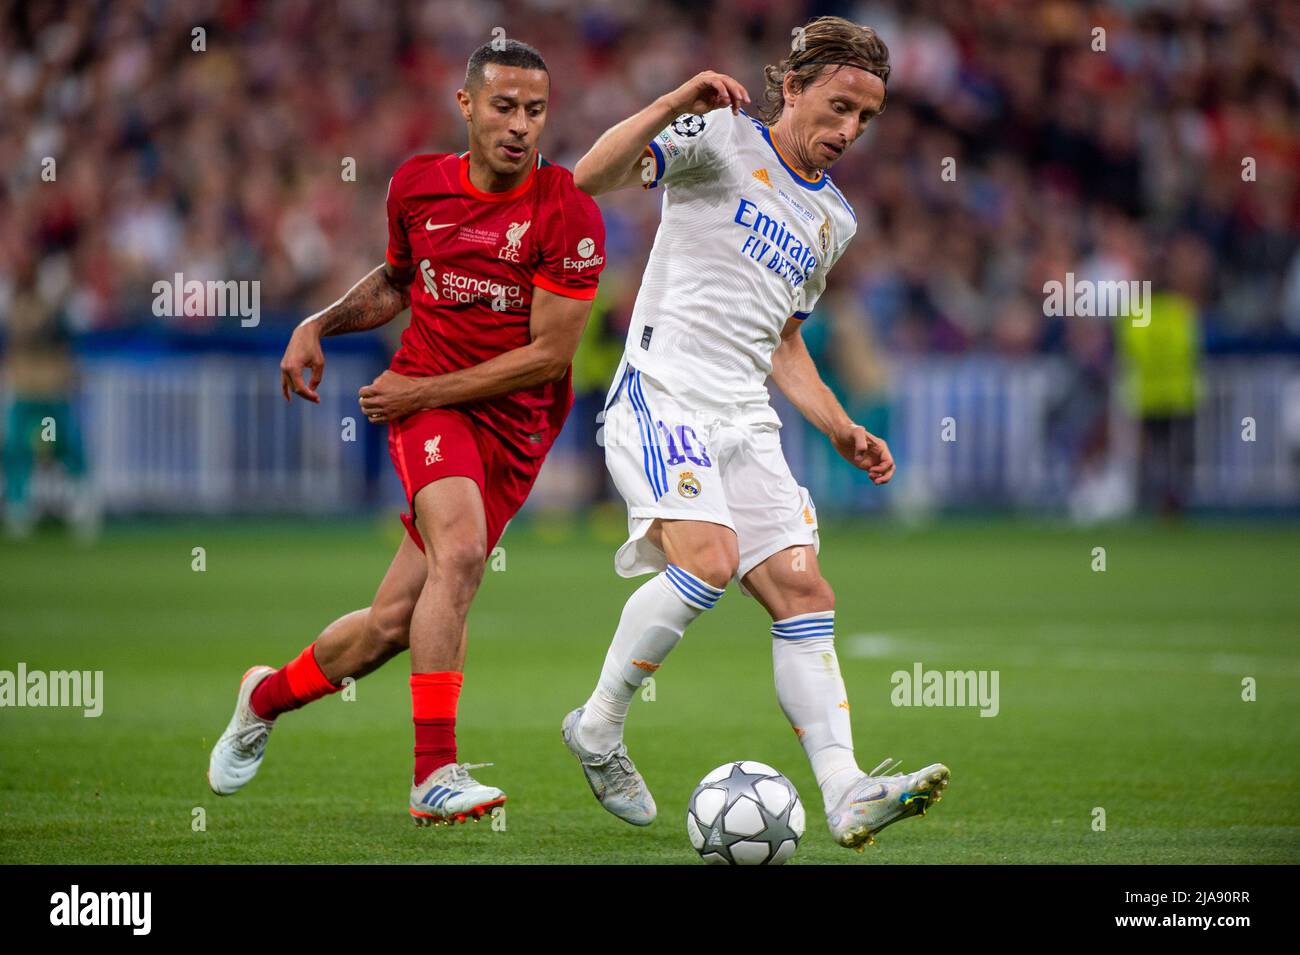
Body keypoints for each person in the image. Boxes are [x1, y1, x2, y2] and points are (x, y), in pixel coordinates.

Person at [562, 16, 948, 851]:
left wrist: (840, 424)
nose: (848, 131)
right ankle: (597, 728)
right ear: (794, 87)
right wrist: (674, 101)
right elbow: (587, 177)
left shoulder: (833, 220)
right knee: (709, 558)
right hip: (662, 395)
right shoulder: (719, 136)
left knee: (805, 592)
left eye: (865, 119)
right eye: (839, 106)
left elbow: (781, 337)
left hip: (745, 417)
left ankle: (845, 790)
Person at [206, 39, 606, 826]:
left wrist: (423, 385)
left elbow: (549, 357)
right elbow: (397, 279)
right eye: (503, 106)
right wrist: (318, 324)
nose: (520, 124)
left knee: (391, 625)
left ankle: (263, 694)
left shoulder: (567, 211)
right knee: (460, 552)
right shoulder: (418, 186)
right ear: (466, 106)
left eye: (534, 110)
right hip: (428, 408)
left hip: (515, 427)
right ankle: (434, 773)